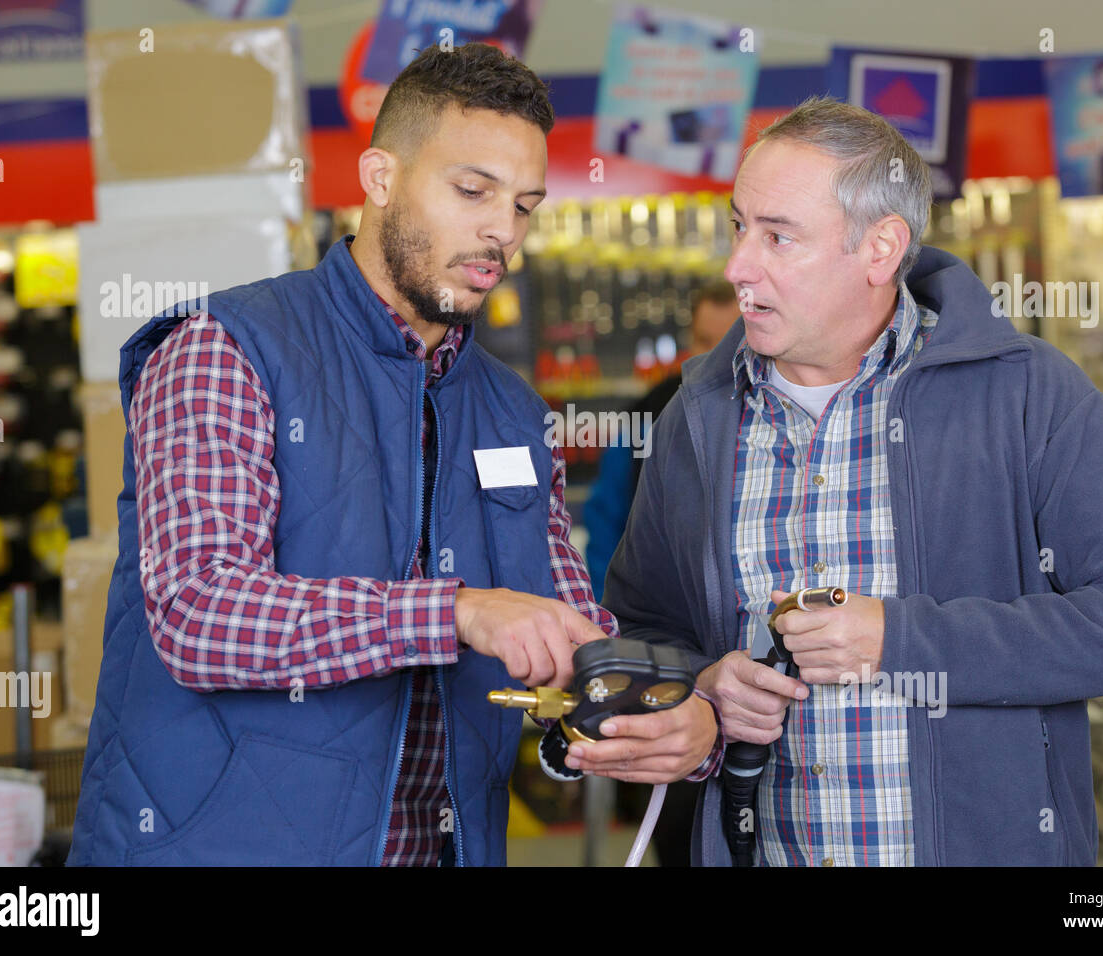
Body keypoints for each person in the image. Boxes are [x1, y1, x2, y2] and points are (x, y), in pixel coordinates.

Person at [67, 43, 713, 867]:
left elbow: (566, 633)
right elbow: (201, 614)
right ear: (378, 177)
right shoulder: (227, 350)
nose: (499, 230)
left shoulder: (512, 412)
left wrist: (668, 712)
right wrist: (456, 612)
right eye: (471, 190)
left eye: (524, 204)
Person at [582, 95, 1103, 866]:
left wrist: (901, 641)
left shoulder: (1026, 395)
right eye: (740, 228)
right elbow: (641, 629)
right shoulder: (697, 418)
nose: (738, 267)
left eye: (779, 236)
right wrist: (704, 686)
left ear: (881, 250)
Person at [584, 278, 739, 602]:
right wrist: (613, 621)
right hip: (661, 623)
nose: (715, 356)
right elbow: (606, 526)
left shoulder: (779, 415)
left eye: (729, 341)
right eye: (704, 341)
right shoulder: (650, 413)